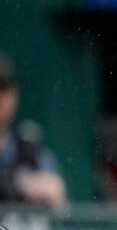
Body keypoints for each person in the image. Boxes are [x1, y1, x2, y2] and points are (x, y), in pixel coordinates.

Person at [0, 53, 67, 211]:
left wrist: (20, 185)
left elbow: (56, 193)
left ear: (15, 95)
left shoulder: (28, 150)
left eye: (3, 88)